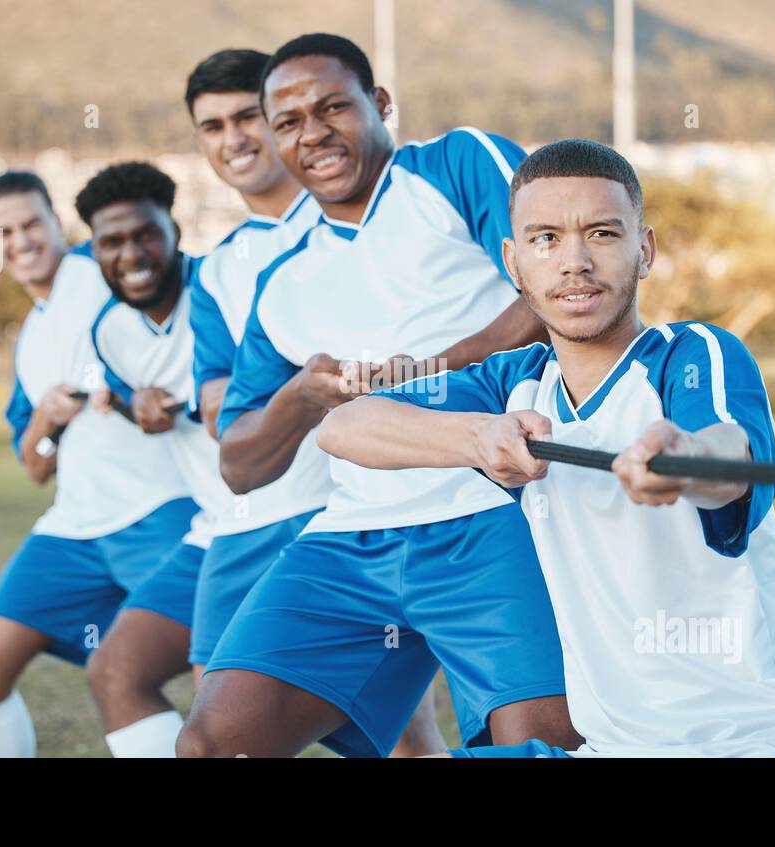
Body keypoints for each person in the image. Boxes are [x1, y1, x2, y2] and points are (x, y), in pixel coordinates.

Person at [317, 138, 775, 757]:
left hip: (750, 743)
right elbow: (344, 426)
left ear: (644, 250)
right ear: (513, 264)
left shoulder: (693, 353)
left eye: (601, 234)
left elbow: (729, 459)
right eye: (545, 239)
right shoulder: (512, 382)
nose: (574, 262)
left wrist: (681, 457)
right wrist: (477, 435)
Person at [176, 34, 578, 759]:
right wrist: (302, 395)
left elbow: (559, 292)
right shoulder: (283, 285)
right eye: (290, 121)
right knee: (213, 743)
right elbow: (238, 464)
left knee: (546, 750)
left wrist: (424, 372)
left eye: (333, 106)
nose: (314, 132)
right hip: (354, 536)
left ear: (380, 104)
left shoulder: (453, 165)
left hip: (495, 515)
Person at [0, 171, 200, 757]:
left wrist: (126, 394)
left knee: (217, 679)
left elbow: (162, 260)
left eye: (32, 223)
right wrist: (46, 419)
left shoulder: (100, 267)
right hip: (75, 528)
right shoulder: (30, 339)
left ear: (60, 226)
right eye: (3, 232)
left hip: (164, 510)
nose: (21, 241)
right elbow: (36, 465)